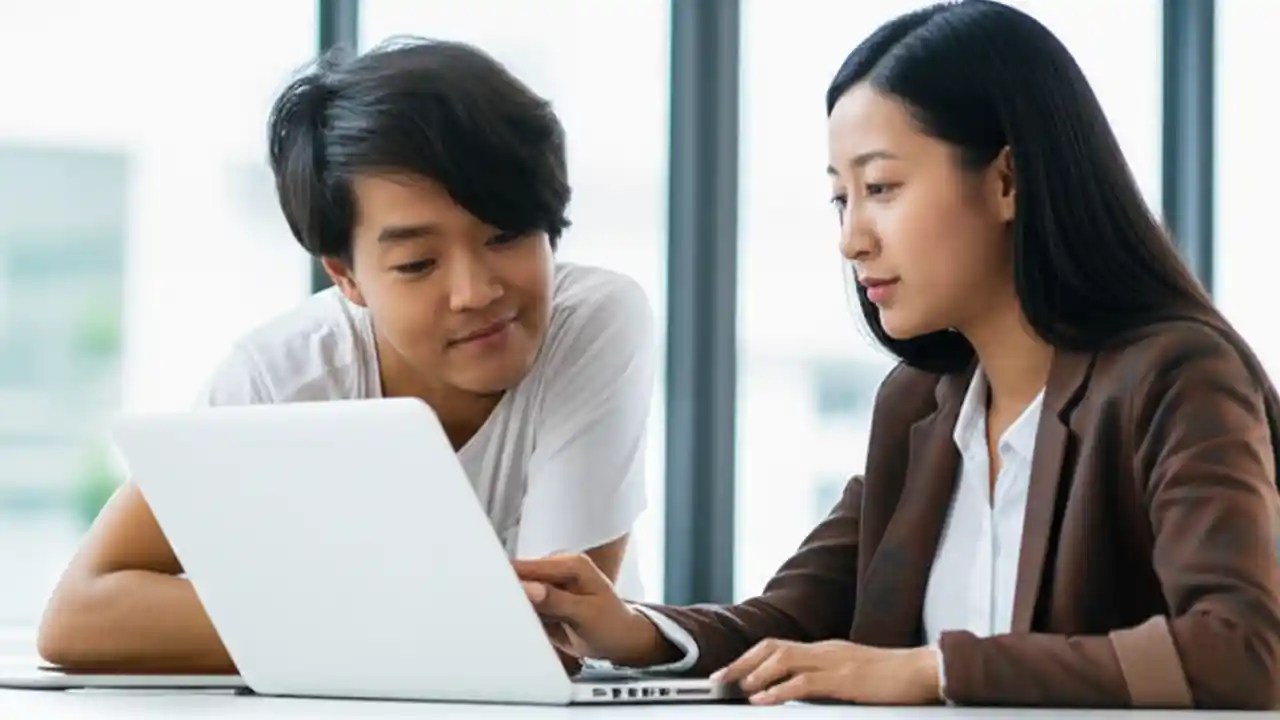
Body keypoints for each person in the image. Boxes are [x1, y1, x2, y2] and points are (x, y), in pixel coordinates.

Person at [514, 0, 1280, 709]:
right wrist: (627, 631)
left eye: (881, 187)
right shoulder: (919, 403)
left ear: (1008, 179)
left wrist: (929, 669)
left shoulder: (1177, 378)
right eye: (841, 199)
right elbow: (794, 627)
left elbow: (1245, 649)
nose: (852, 239)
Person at [37, 37, 655, 673]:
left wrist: (320, 622)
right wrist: (425, 622)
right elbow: (81, 615)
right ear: (346, 276)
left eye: (508, 234)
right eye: (417, 264)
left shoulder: (591, 321)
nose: (476, 293)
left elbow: (551, 633)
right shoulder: (282, 376)